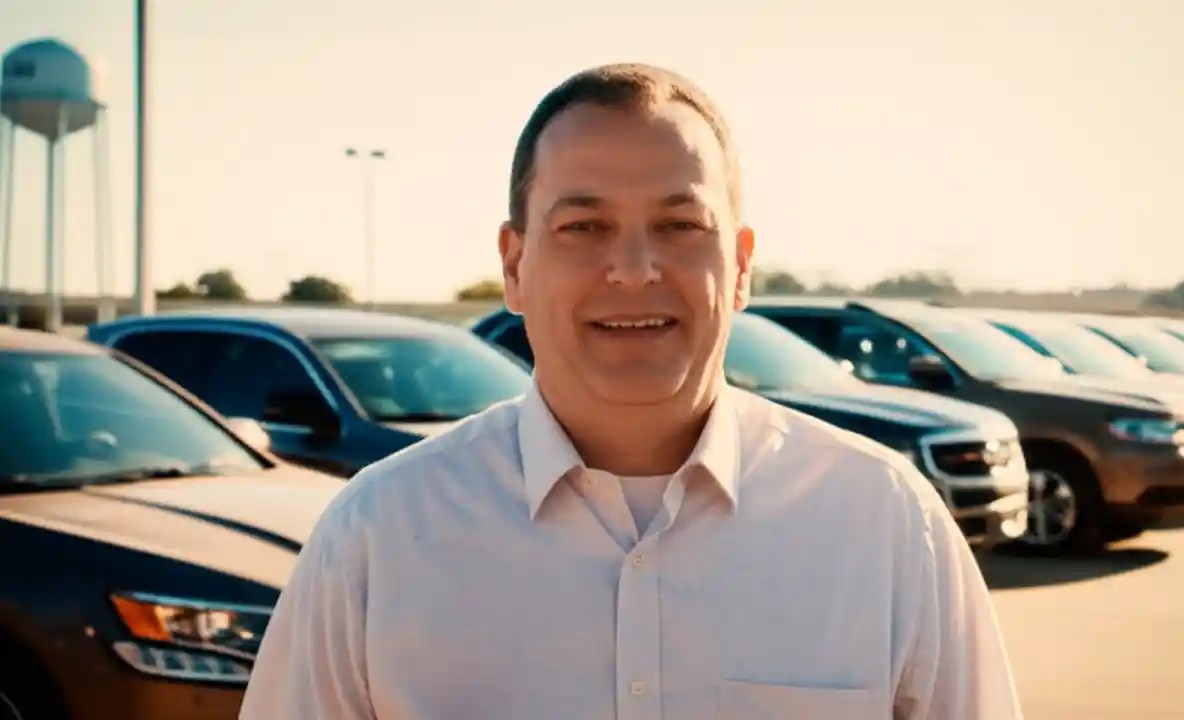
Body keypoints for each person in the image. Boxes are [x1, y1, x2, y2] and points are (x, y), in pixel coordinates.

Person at [239, 62, 1022, 719]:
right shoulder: (377, 537)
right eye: (584, 227)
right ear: (514, 265)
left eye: (681, 225)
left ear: (741, 264)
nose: (636, 269)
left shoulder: (883, 524)